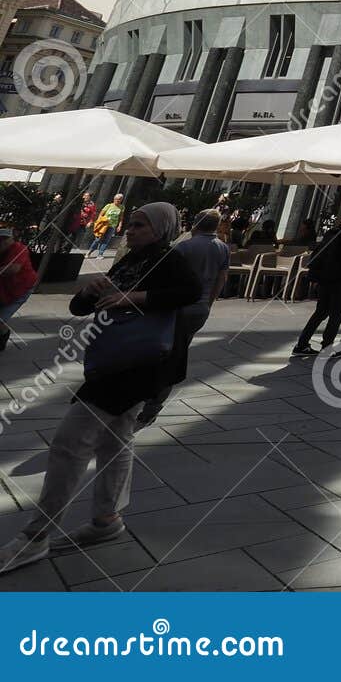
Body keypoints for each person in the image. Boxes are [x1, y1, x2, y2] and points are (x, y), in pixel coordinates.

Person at [0, 202, 201, 573]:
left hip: (138, 366)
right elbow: (80, 308)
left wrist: (134, 297)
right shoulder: (129, 260)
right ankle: (107, 520)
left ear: (160, 228)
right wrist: (91, 290)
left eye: (140, 225)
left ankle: (36, 535)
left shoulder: (168, 259)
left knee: (69, 442)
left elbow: (191, 292)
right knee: (115, 439)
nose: (130, 229)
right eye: (131, 223)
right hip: (111, 359)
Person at [137, 208, 232, 427]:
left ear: (196, 224)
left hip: (175, 306)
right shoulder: (222, 248)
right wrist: (209, 303)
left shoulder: (184, 247)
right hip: (199, 309)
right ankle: (154, 405)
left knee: (157, 351)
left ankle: (142, 396)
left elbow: (163, 276)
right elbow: (221, 278)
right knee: (176, 355)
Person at [292, 217, 341, 355]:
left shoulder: (332, 232)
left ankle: (301, 344)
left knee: (320, 312)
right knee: (337, 313)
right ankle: (327, 347)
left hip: (325, 277)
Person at [0, 228, 39, 352]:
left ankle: (3, 336)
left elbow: (14, 269)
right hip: (5, 288)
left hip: (21, 289)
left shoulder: (19, 249)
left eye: (4, 240)